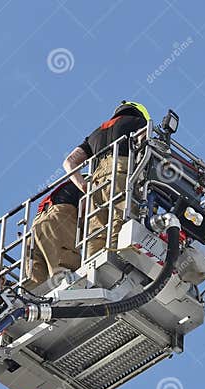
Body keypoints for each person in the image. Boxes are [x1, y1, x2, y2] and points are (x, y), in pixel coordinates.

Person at [63, 101, 150, 258]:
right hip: (121, 172)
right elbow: (147, 146)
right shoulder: (138, 122)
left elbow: (69, 162)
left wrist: (84, 186)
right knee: (121, 220)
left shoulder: (95, 134)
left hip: (95, 183)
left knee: (96, 234)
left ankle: (93, 271)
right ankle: (120, 259)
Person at [26, 179, 83, 290]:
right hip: (55, 220)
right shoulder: (86, 182)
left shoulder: (73, 183)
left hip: (35, 228)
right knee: (67, 274)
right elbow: (87, 213)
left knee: (37, 286)